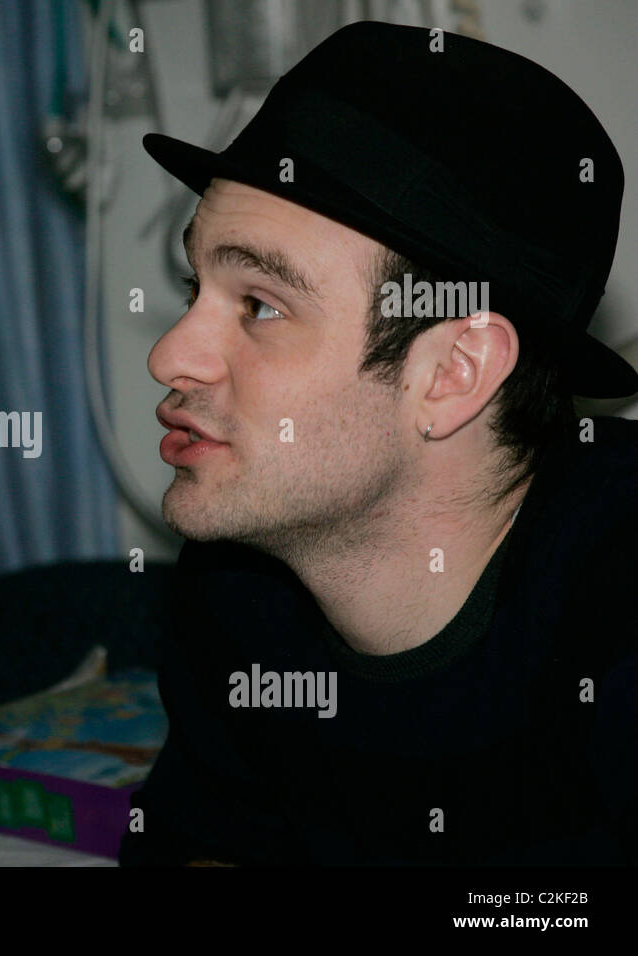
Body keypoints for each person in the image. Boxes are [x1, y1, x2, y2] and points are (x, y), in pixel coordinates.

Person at [120, 21, 638, 865]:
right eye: (194, 286)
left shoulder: (614, 606)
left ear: (452, 375)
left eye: (261, 304)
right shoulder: (236, 587)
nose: (170, 355)